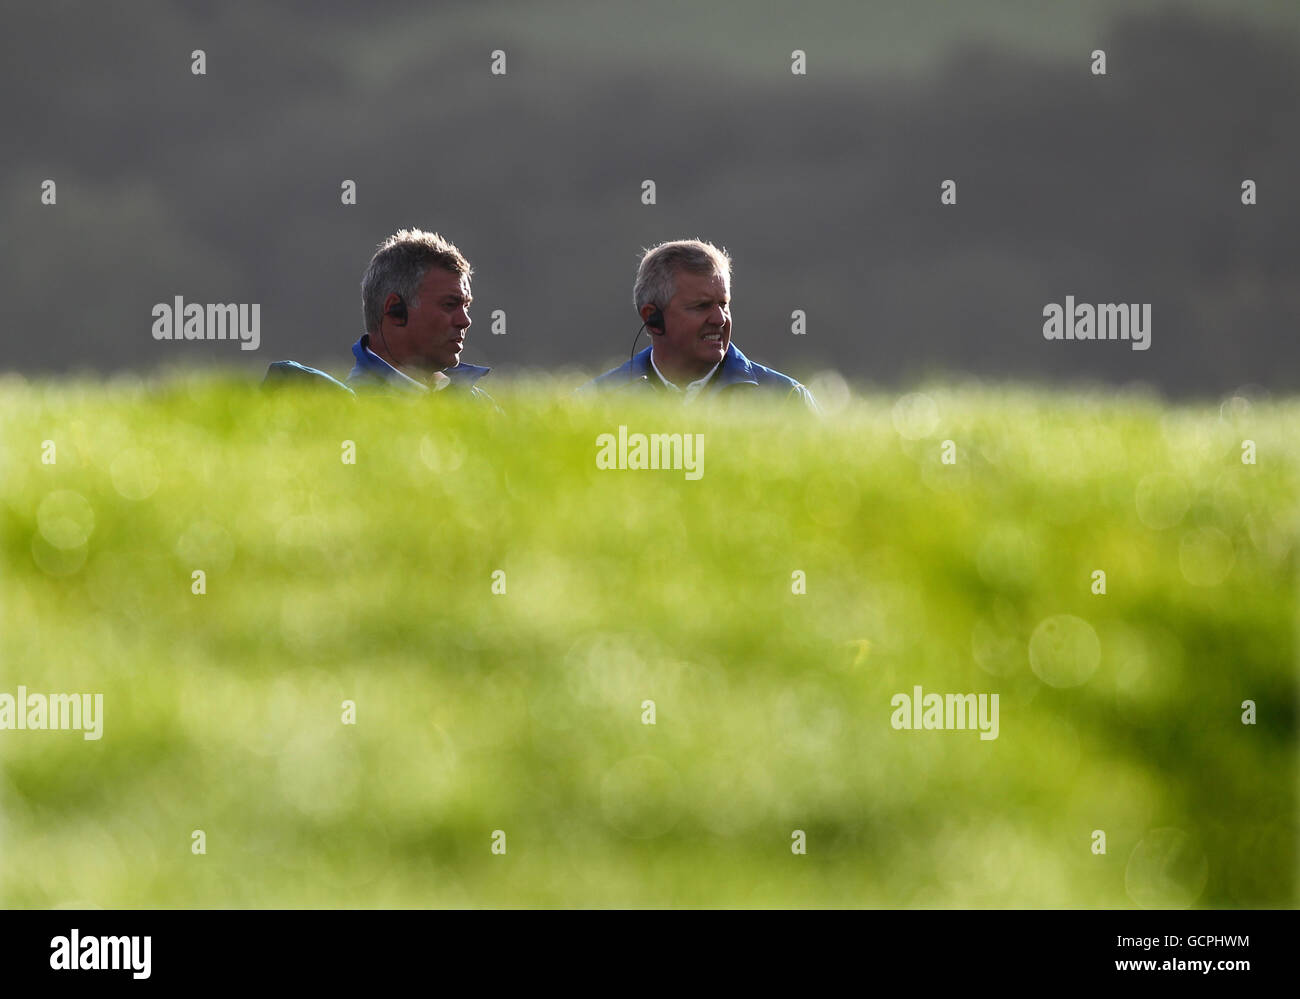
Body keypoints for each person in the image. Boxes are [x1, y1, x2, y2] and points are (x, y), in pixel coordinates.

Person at [579, 239, 818, 411]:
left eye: (723, 305)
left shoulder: (786, 400)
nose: (719, 319)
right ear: (653, 319)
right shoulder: (594, 403)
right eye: (701, 306)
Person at [263, 228, 494, 403]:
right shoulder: (353, 410)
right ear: (395, 311)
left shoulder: (478, 402)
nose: (465, 320)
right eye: (449, 304)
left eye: (466, 306)